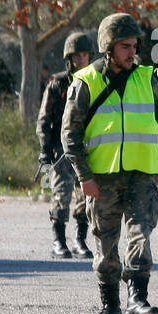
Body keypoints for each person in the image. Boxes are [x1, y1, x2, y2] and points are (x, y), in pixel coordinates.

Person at [61, 13, 158, 314]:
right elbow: (70, 133)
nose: (131, 52)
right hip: (102, 178)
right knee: (105, 243)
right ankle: (110, 306)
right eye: (125, 46)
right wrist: (84, 176)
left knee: (140, 234)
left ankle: (137, 300)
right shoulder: (85, 81)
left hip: (141, 173)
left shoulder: (147, 78)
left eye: (134, 46)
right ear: (108, 47)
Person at [36, 32, 96, 259]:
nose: (82, 60)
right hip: (61, 151)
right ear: (69, 58)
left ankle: (80, 240)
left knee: (86, 197)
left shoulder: (95, 82)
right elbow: (44, 119)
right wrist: (45, 150)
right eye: (77, 56)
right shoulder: (57, 84)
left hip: (87, 149)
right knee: (61, 195)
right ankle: (58, 241)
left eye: (85, 55)